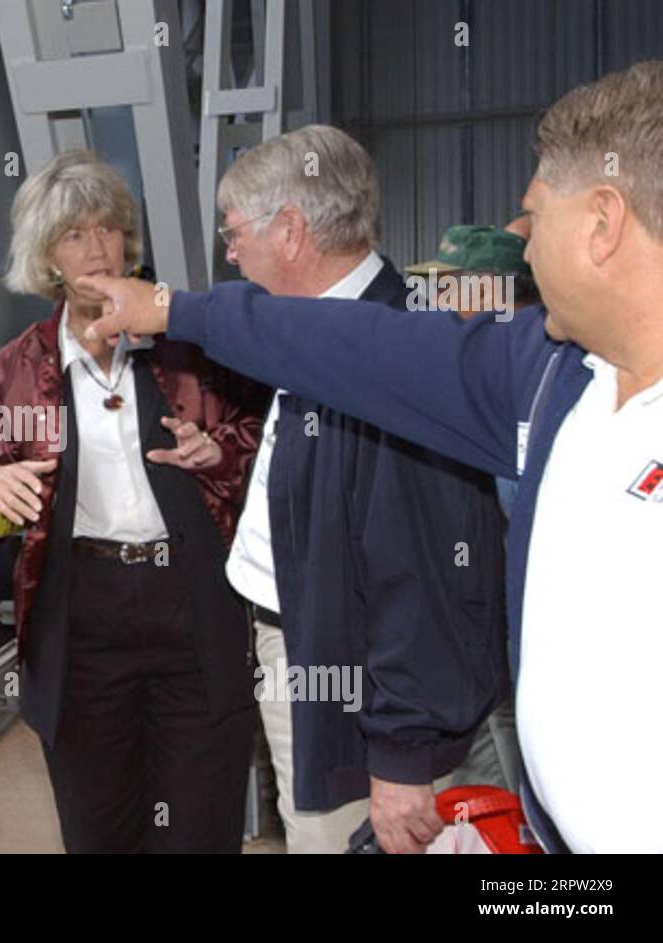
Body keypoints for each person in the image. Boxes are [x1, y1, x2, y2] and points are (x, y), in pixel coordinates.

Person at [78, 59, 663, 852]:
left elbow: (419, 575)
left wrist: (402, 750)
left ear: (602, 223)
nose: (521, 255)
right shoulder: (553, 376)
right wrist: (173, 307)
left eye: (535, 218)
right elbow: (352, 345)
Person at [0, 150, 270, 852]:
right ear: (47, 258)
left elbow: (260, 438)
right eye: (74, 234)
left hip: (193, 606)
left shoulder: (187, 342)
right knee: (99, 834)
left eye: (109, 229)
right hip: (81, 618)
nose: (97, 248)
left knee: (200, 832)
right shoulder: (13, 370)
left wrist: (219, 452)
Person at [206, 125, 506, 854]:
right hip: (306, 647)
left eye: (234, 229)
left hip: (347, 684)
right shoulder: (323, 334)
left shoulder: (385, 357)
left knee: (329, 836)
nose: (228, 250)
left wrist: (399, 760)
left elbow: (421, 576)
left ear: (290, 229)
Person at [407, 223, 542, 795]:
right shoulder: (472, 378)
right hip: (477, 649)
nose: (435, 302)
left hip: (527, 648)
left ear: (494, 293)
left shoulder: (535, 381)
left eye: (449, 288)